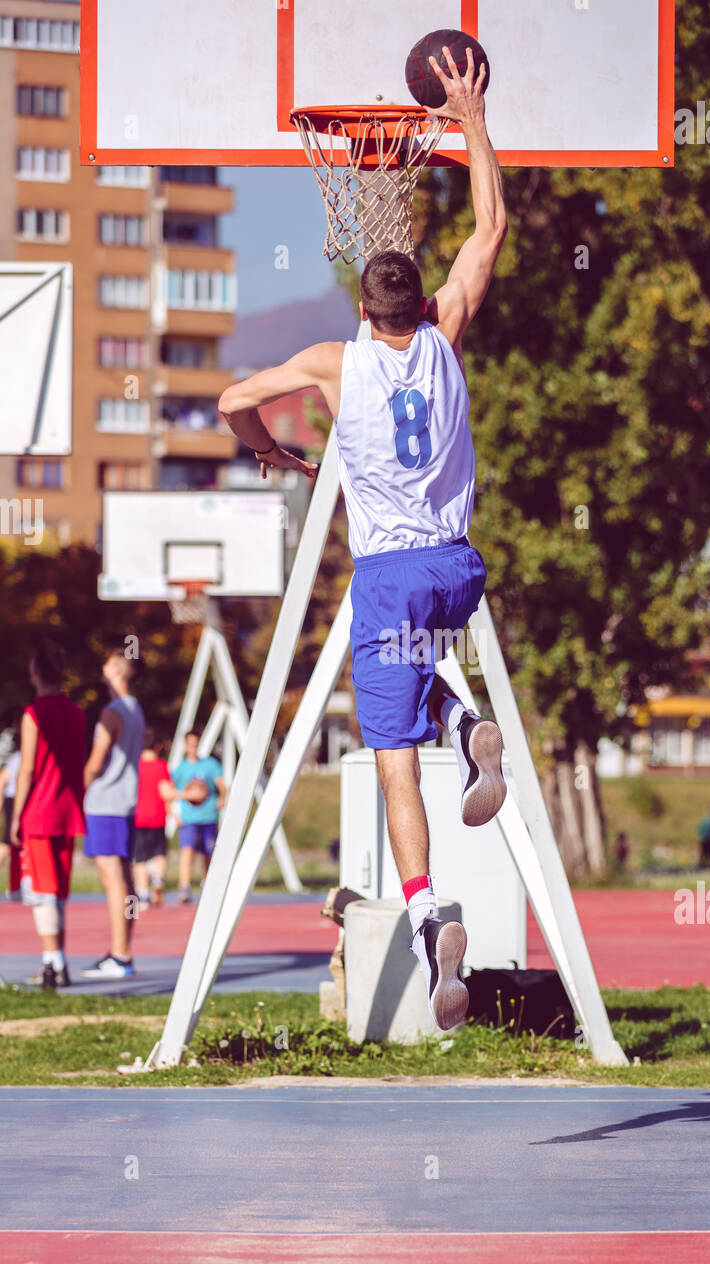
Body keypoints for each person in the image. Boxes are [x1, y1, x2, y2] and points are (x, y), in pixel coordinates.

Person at [218, 46, 508, 1031]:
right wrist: (465, 115)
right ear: (421, 302)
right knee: (430, 660)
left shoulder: (330, 365)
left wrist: (272, 455)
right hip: (455, 567)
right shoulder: (448, 329)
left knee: (390, 762)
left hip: (384, 578)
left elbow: (230, 399)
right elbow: (491, 227)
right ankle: (470, 727)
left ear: (359, 308)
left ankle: (429, 921)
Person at [9, 639, 86, 989]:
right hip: (68, 810)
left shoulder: (34, 714)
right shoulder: (78, 713)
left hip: (40, 809)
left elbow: (26, 769)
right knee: (57, 892)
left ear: (35, 671)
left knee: (42, 892)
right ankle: (57, 960)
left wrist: (15, 817)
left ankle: (53, 965)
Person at [81, 649, 146, 978]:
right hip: (123, 803)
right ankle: (122, 953)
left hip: (106, 803)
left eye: (107, 664)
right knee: (125, 879)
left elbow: (95, 762)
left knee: (114, 879)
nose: (102, 669)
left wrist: (78, 785)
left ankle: (120, 956)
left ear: (119, 670)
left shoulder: (112, 712)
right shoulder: (135, 709)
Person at [166, 731, 227, 903]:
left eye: (195, 744)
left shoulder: (210, 765)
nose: (192, 747)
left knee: (208, 852)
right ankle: (184, 887)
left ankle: (207, 884)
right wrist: (172, 814)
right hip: (188, 819)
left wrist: (223, 797)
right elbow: (168, 792)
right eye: (190, 744)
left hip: (208, 817)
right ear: (185, 745)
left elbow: (222, 785)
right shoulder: (181, 769)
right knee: (187, 850)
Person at [132, 728, 172, 911]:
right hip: (157, 817)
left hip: (138, 818)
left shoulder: (135, 767)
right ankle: (157, 880)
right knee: (159, 854)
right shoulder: (161, 766)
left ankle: (143, 895)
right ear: (157, 746)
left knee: (139, 858)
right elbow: (165, 792)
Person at [0, 729, 23, 900]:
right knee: (8, 843)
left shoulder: (18, 757)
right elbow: (2, 781)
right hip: (14, 800)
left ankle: (19, 885)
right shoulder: (19, 758)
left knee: (17, 846)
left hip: (16, 800)